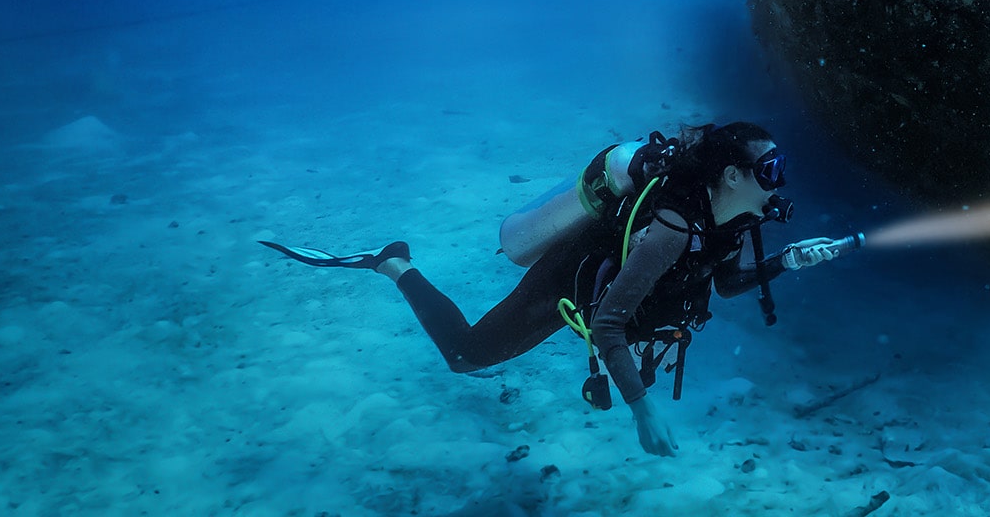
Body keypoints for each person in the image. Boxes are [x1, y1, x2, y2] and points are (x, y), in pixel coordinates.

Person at [261, 122, 842, 456]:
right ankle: (394, 264)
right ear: (734, 176)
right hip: (569, 277)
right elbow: (610, 324)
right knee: (467, 356)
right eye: (771, 170)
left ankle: (396, 264)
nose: (779, 182)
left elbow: (726, 283)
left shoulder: (737, 220)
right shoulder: (671, 230)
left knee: (473, 358)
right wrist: (642, 411)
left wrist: (788, 262)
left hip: (611, 291)